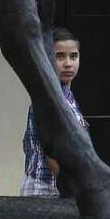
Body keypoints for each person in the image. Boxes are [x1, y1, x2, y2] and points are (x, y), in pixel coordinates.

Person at [22, 27, 88, 197]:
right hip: (45, 188)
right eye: (60, 56)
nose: (68, 63)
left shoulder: (68, 96)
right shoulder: (47, 98)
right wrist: (72, 189)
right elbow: (52, 151)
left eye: (73, 56)